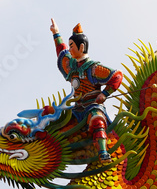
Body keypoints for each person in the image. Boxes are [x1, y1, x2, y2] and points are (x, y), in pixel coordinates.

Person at [50, 19, 122, 162]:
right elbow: (62, 53)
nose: (70, 50)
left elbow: (117, 76)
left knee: (96, 119)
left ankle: (103, 152)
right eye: (70, 46)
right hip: (77, 109)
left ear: (81, 47)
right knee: (58, 122)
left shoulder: (93, 68)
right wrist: (56, 33)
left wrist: (104, 93)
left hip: (92, 106)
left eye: (72, 46)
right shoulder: (72, 66)